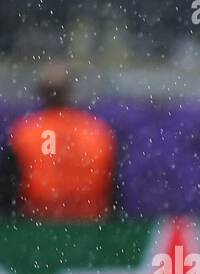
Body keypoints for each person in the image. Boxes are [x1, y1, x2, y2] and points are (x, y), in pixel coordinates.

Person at [0, 64, 116, 220]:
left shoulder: (25, 132)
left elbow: (9, 189)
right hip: (91, 225)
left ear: (41, 93)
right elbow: (113, 188)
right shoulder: (97, 131)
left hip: (37, 225)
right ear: (70, 92)